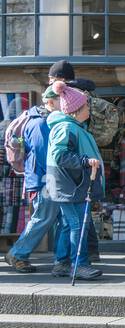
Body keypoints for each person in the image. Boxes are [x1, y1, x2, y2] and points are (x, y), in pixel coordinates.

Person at [3, 62, 73, 274]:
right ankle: (18, 253)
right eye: (63, 99)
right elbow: (45, 156)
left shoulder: (42, 119)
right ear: (53, 100)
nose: (66, 102)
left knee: (60, 219)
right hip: (46, 180)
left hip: (46, 179)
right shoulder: (42, 123)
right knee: (43, 218)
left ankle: (62, 260)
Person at [44, 82, 104, 281]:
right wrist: (86, 161)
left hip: (68, 185)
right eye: (87, 106)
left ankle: (62, 263)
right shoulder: (66, 128)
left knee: (70, 225)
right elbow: (60, 156)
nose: (89, 109)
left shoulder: (72, 127)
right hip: (70, 186)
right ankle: (80, 265)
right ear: (77, 109)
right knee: (79, 224)